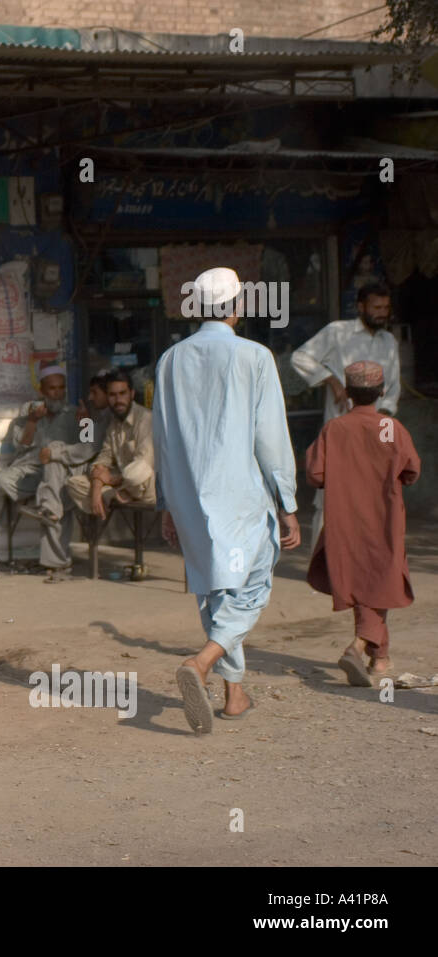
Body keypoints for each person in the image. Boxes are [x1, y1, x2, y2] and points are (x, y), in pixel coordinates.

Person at [154, 267, 300, 733]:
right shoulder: (254, 356)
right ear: (237, 307)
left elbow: (162, 438)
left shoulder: (170, 360)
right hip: (239, 493)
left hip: (189, 495)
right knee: (252, 585)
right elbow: (270, 437)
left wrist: (166, 503)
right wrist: (288, 502)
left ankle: (235, 694)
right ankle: (201, 663)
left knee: (216, 589)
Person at [305, 360, 420, 686]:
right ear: (381, 391)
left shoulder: (335, 428)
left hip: (345, 521)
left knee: (364, 582)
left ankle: (379, 658)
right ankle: (357, 647)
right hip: (384, 520)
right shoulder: (390, 427)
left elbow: (315, 473)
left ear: (349, 393)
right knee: (380, 581)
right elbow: (412, 472)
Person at [291, 283, 400, 546]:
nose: (381, 313)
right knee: (330, 498)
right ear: (361, 307)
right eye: (376, 307)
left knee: (372, 500)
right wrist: (332, 381)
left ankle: (361, 564)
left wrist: (383, 426)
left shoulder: (389, 341)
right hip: (340, 430)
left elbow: (393, 388)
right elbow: (299, 358)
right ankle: (322, 565)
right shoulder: (338, 332)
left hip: (377, 433)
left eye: (385, 308)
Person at [17, 372, 111, 581]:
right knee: (57, 498)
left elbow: (87, 448)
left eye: (95, 392)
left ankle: (49, 509)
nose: (91, 396)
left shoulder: (99, 416)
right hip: (73, 469)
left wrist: (56, 451)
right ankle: (56, 559)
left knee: (54, 455)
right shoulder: (88, 413)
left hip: (95, 470)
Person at [65, 370, 155, 521]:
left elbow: (143, 465)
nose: (118, 399)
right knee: (73, 483)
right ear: (107, 397)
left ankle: (113, 495)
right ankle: (113, 496)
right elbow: (102, 458)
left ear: (132, 394)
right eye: (113, 395)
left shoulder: (145, 419)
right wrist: (96, 488)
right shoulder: (112, 422)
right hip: (120, 484)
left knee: (135, 473)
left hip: (143, 485)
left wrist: (112, 479)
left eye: (122, 393)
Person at [0, 365, 79, 509]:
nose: (57, 393)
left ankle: (44, 500)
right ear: (42, 391)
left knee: (61, 478)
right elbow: (20, 446)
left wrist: (87, 421)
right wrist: (32, 421)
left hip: (59, 468)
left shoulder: (76, 413)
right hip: (31, 469)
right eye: (52, 389)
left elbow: (89, 445)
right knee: (3, 479)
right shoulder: (29, 412)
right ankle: (45, 496)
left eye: (61, 388)